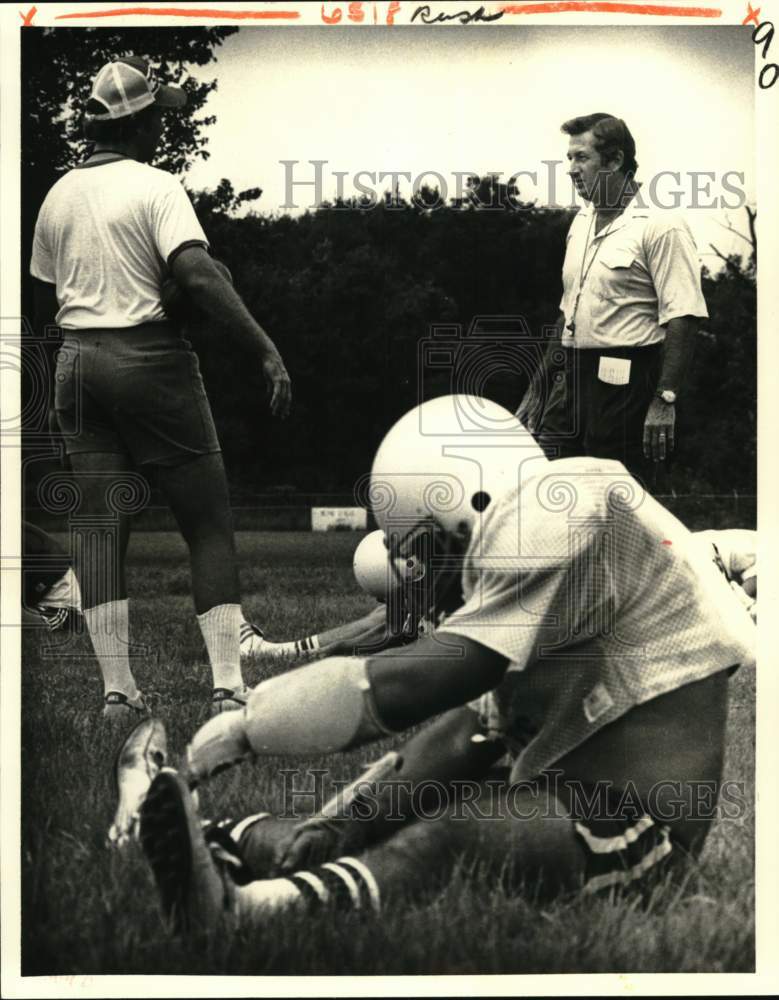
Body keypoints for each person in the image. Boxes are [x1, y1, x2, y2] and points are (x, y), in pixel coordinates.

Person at [120, 394, 753, 934]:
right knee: (382, 824)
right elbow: (465, 735)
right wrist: (341, 823)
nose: (416, 578)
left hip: (641, 830)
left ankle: (247, 912)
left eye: (418, 549)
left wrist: (245, 727)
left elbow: (416, 684)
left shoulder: (560, 505)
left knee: (457, 833)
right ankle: (207, 840)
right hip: (570, 804)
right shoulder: (557, 565)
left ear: (470, 504)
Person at [30, 56, 292, 724]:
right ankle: (228, 688)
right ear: (140, 123)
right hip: (149, 361)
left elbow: (51, 295)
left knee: (99, 532)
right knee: (207, 527)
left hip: (76, 365)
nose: (162, 129)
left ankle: (118, 694)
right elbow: (197, 275)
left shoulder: (57, 195)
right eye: (158, 118)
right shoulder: (157, 186)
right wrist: (264, 349)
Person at [516, 113, 709, 488]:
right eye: (569, 158)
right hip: (572, 379)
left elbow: (684, 316)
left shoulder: (661, 224)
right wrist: (538, 389)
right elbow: (567, 313)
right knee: (549, 484)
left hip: (627, 382)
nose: (571, 169)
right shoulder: (581, 222)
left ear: (616, 160)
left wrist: (664, 400)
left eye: (581, 158)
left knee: (613, 496)